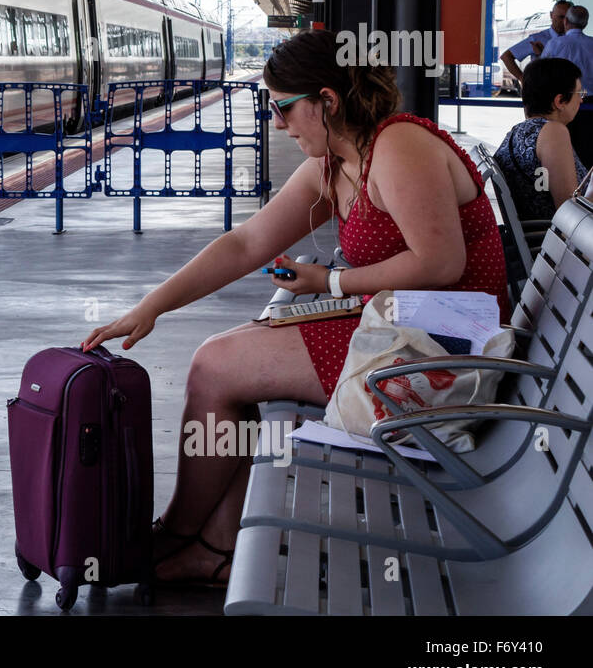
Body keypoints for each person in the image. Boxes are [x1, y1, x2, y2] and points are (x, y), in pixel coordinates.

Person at [82, 30, 509, 587]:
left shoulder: (400, 144)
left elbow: (441, 263)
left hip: (441, 352)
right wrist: (151, 307)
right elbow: (246, 244)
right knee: (232, 358)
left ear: (326, 100)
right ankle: (208, 546)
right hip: (397, 332)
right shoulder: (336, 162)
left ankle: (179, 537)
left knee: (218, 364)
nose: (278, 124)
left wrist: (330, 280)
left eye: (284, 108)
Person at [494, 58, 587, 220]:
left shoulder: (518, 132)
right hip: (554, 240)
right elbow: (569, 214)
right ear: (560, 101)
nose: (581, 99)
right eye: (579, 93)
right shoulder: (553, 133)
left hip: (535, 235)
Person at [542, 6, 593, 167]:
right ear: (585, 24)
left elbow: (542, 71)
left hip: (562, 105)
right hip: (590, 106)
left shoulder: (555, 43)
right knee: (587, 149)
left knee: (563, 148)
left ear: (566, 21)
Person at [501, 0, 569, 84]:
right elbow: (506, 56)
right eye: (561, 17)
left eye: (567, 18)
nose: (564, 21)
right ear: (551, 15)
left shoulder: (574, 40)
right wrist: (523, 79)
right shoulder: (537, 39)